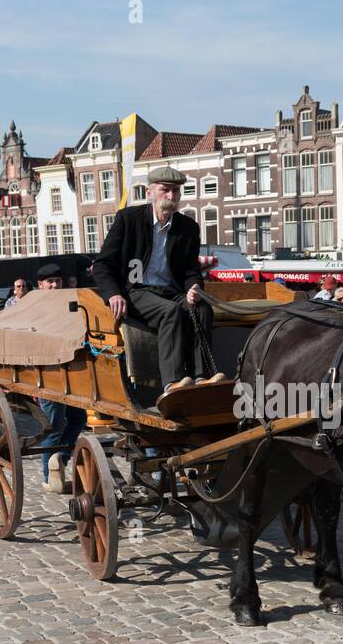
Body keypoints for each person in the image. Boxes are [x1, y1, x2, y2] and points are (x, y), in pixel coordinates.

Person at [92, 165, 222, 394]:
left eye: (176, 191)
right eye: (166, 190)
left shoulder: (188, 227)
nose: (172, 196)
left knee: (202, 309)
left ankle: (202, 378)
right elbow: (103, 264)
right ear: (149, 192)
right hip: (136, 290)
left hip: (171, 291)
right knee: (170, 312)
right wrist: (113, 293)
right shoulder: (128, 219)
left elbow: (190, 269)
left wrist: (194, 287)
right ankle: (171, 382)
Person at [35, 262, 87, 493]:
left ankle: (61, 457)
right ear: (41, 285)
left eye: (57, 281)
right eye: (50, 282)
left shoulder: (71, 303)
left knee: (78, 419)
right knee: (53, 427)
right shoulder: (35, 306)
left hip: (71, 373)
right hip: (48, 374)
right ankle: (48, 477)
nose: (55, 285)